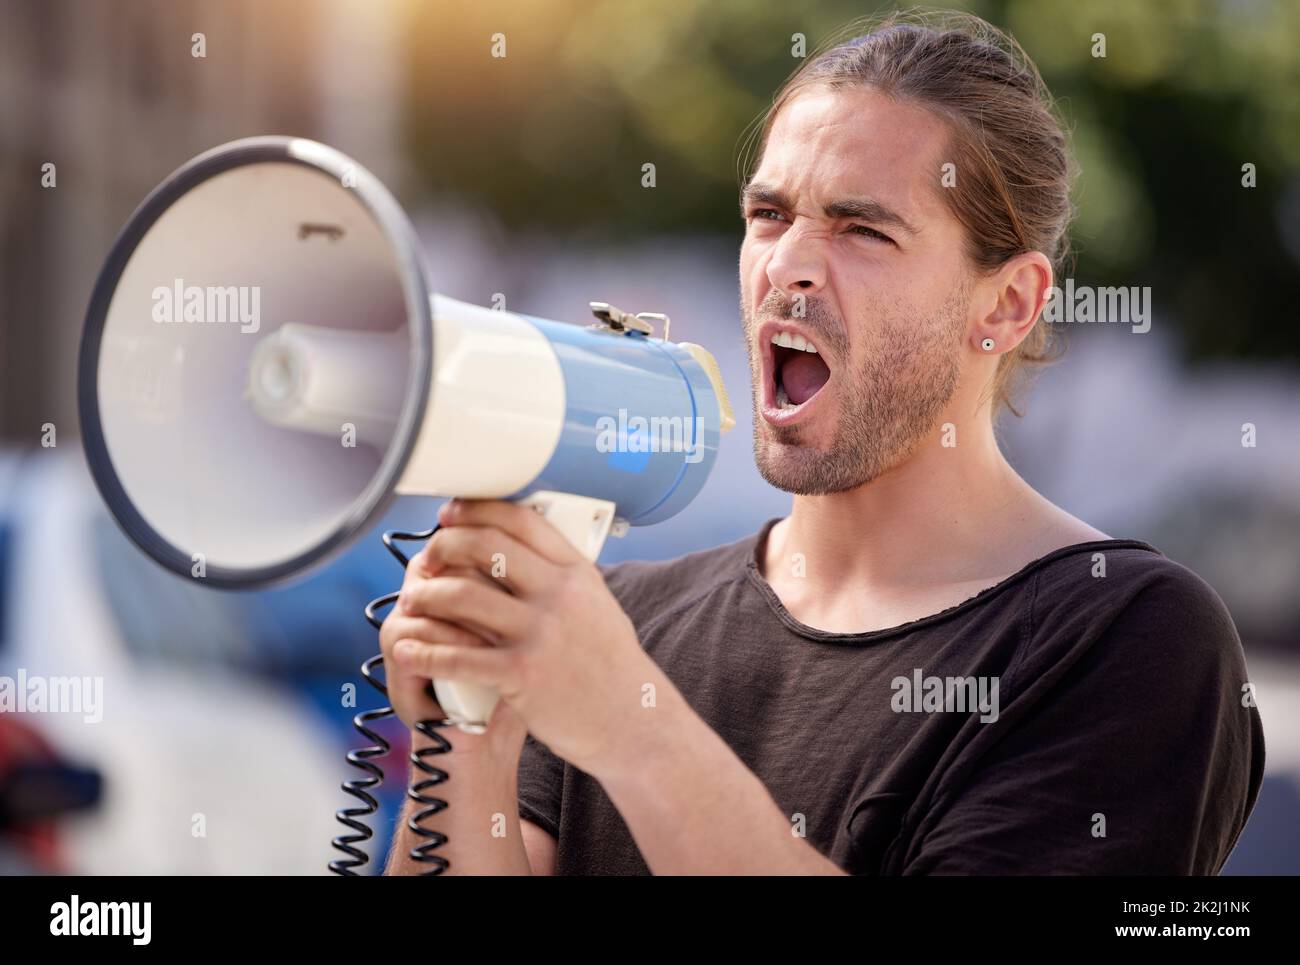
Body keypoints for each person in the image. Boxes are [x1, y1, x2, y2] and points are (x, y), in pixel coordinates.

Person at [379, 9, 1265, 875]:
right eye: (768, 216)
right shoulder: (626, 621)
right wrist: (460, 734)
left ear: (1006, 304)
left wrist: (630, 725)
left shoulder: (1124, 637)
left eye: (863, 229)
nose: (787, 266)